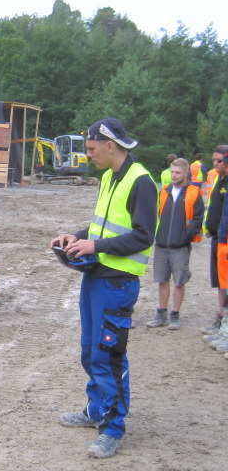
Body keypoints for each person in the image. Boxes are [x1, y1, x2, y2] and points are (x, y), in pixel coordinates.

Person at [50, 117, 157, 459]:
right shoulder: (109, 176)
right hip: (96, 277)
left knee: (108, 356)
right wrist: (77, 237)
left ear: (110, 146)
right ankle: (95, 410)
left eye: (92, 148)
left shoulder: (141, 182)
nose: (89, 154)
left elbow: (143, 236)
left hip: (118, 282)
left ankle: (112, 428)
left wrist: (95, 246)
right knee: (89, 350)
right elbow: (102, 225)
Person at [146, 158, 204, 329]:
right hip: (162, 245)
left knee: (179, 281)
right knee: (162, 280)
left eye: (177, 172)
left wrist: (185, 237)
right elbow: (156, 215)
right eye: (172, 172)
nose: (173, 175)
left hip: (180, 247)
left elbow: (198, 219)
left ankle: (175, 316)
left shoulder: (194, 193)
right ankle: (161, 314)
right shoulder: (164, 191)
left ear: (186, 173)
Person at [201, 145, 228, 335]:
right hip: (217, 236)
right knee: (220, 280)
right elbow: (213, 206)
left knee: (225, 281)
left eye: (219, 160)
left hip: (225, 239)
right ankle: (221, 318)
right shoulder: (220, 179)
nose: (215, 164)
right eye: (213, 160)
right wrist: (209, 228)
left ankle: (224, 322)